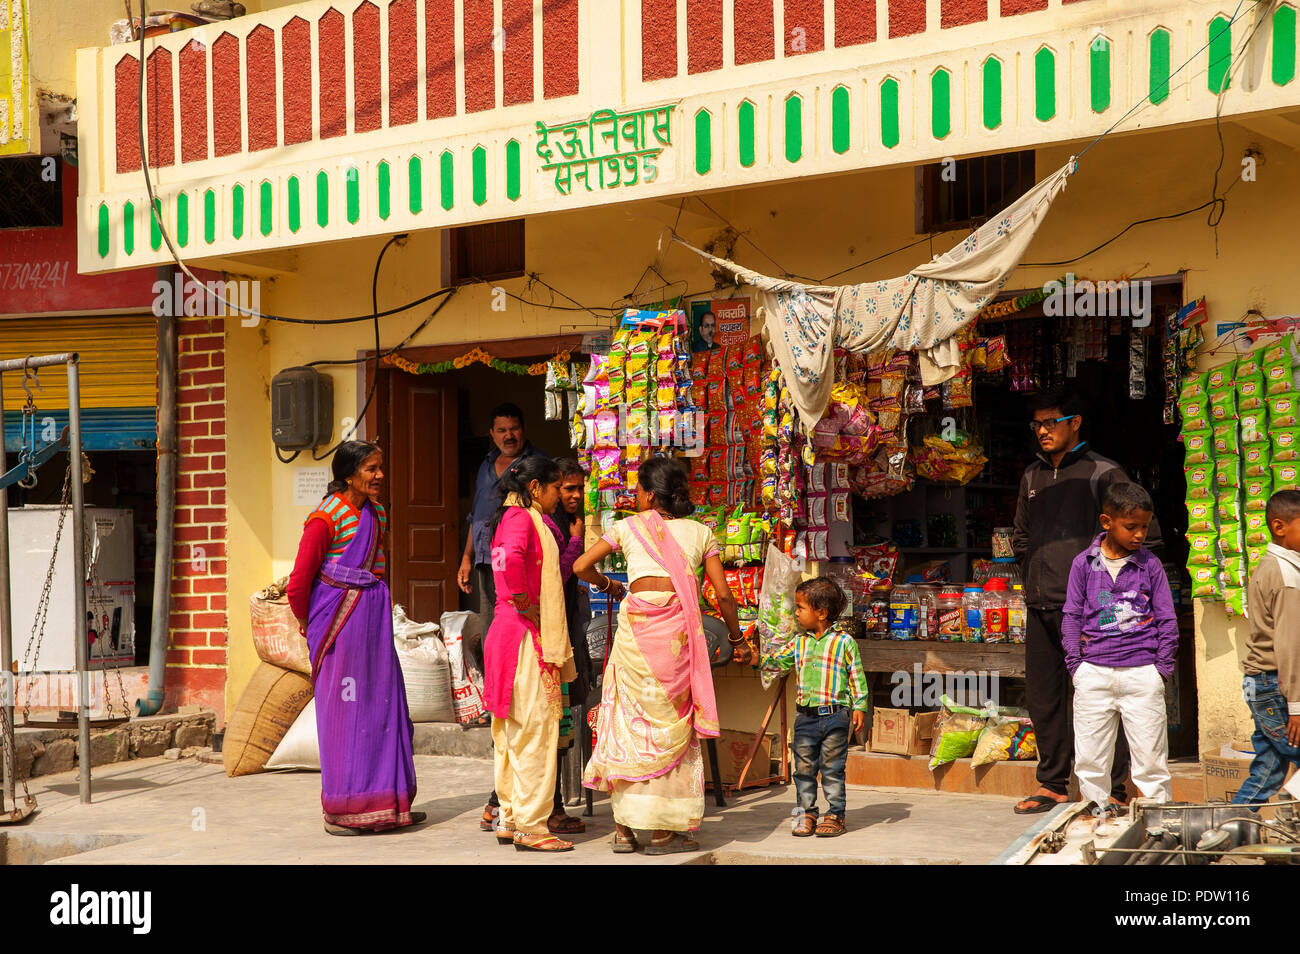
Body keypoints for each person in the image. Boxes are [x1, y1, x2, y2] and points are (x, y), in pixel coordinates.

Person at [574, 456, 750, 855]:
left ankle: (624, 829)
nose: (634, 497)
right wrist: (738, 641)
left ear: (650, 495)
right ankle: (663, 830)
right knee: (671, 726)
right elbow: (722, 595)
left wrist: (609, 585)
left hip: (635, 639)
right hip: (675, 643)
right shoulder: (701, 532)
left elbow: (581, 565)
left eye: (637, 491)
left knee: (626, 724)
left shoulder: (627, 527)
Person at [1011, 387, 1162, 815]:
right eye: (1037, 424)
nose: (1042, 431)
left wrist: (1105, 591)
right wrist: (1031, 572)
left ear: (1075, 422)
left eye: (1051, 422)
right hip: (1040, 603)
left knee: (1098, 699)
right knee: (1045, 699)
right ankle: (1053, 784)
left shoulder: (1104, 473)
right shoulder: (1031, 476)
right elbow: (1021, 536)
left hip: (1091, 612)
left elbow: (1141, 534)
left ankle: (1114, 789)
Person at [287, 440, 423, 835]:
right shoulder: (324, 518)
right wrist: (308, 622)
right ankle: (345, 810)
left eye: (380, 467)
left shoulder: (377, 512)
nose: (379, 475)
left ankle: (389, 804)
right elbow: (300, 583)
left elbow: (377, 566)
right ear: (348, 475)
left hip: (373, 623)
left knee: (383, 706)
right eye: (370, 468)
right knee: (346, 712)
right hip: (339, 625)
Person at [479, 458, 588, 838]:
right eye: (558, 488)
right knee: (536, 731)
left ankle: (511, 818)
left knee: (514, 732)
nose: (562, 496)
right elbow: (509, 560)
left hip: (511, 629)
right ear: (537, 486)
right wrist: (526, 603)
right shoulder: (523, 519)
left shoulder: (513, 516)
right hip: (522, 632)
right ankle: (531, 826)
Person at [1062, 482, 1176, 815]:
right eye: (1132, 526)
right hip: (1093, 673)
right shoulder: (1082, 564)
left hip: (1143, 674)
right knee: (1090, 760)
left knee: (1151, 760)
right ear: (1106, 522)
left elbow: (1167, 619)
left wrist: (1161, 669)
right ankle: (1095, 821)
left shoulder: (1150, 565)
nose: (1140, 534)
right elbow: (1070, 615)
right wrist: (1076, 666)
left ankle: (1159, 824)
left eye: (1145, 526)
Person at [762, 577, 868, 838]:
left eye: (800, 607)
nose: (796, 613)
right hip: (805, 718)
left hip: (835, 716)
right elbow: (775, 663)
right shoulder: (799, 643)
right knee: (804, 769)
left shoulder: (844, 642)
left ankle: (835, 815)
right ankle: (806, 813)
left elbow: (856, 675)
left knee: (832, 768)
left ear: (821, 613)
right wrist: (754, 657)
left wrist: (860, 706)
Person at [1231, 489, 1300, 809]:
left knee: (1270, 769)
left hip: (1267, 684)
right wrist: (1296, 707)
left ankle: (1223, 830)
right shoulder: (1285, 574)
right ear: (1279, 526)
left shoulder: (1281, 566)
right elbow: (1289, 645)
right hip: (1276, 686)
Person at [458, 403, 548, 623]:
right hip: (486, 559)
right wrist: (467, 558)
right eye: (501, 430)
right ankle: (493, 659)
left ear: (524, 429)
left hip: (520, 558)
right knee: (491, 620)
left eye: (513, 429)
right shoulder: (486, 464)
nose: (509, 435)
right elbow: (477, 515)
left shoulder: (538, 465)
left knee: (520, 619)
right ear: (492, 433)